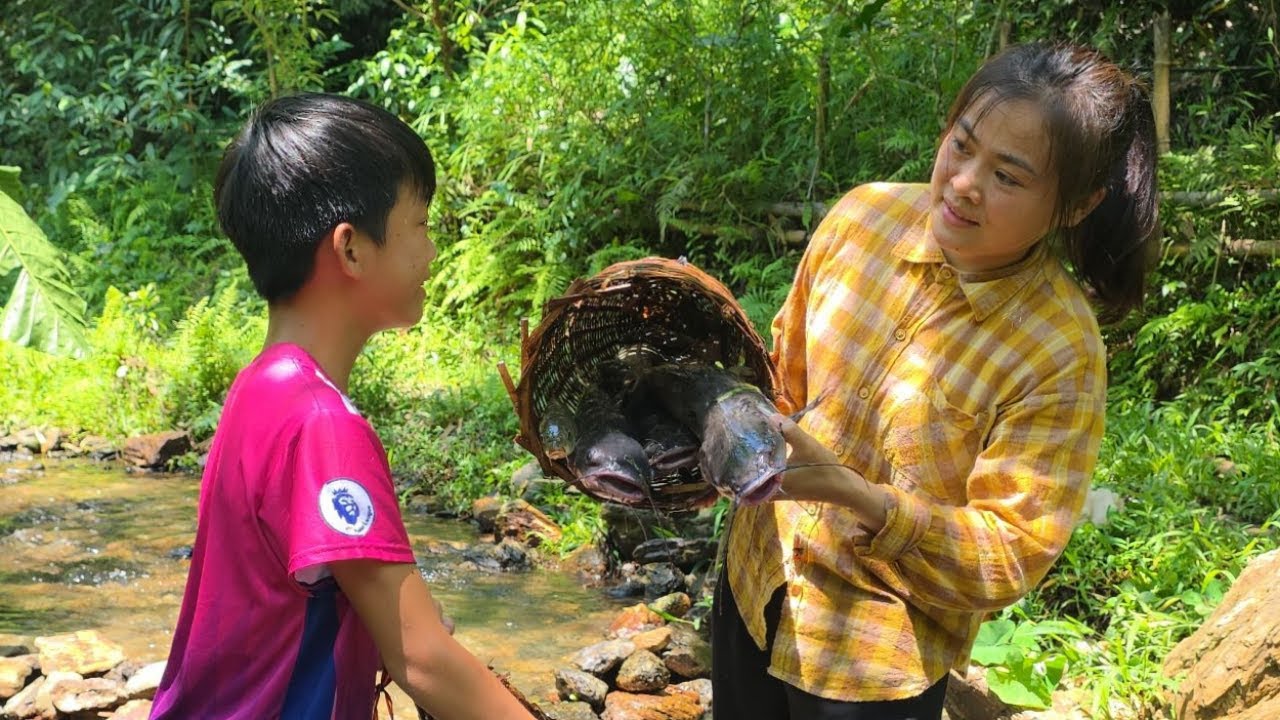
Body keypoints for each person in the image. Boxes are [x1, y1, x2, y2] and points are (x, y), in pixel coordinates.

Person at [713, 41, 1158, 719]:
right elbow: (783, 380)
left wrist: (865, 500)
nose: (963, 183)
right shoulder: (861, 221)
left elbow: (1010, 550)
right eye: (962, 145)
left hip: (873, 654)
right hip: (756, 579)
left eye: (1008, 177)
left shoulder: (1059, 349)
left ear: (1075, 204)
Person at [150, 93, 536, 720]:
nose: (432, 252)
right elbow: (422, 659)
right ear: (351, 249)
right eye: (421, 225)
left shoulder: (260, 387)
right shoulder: (324, 425)